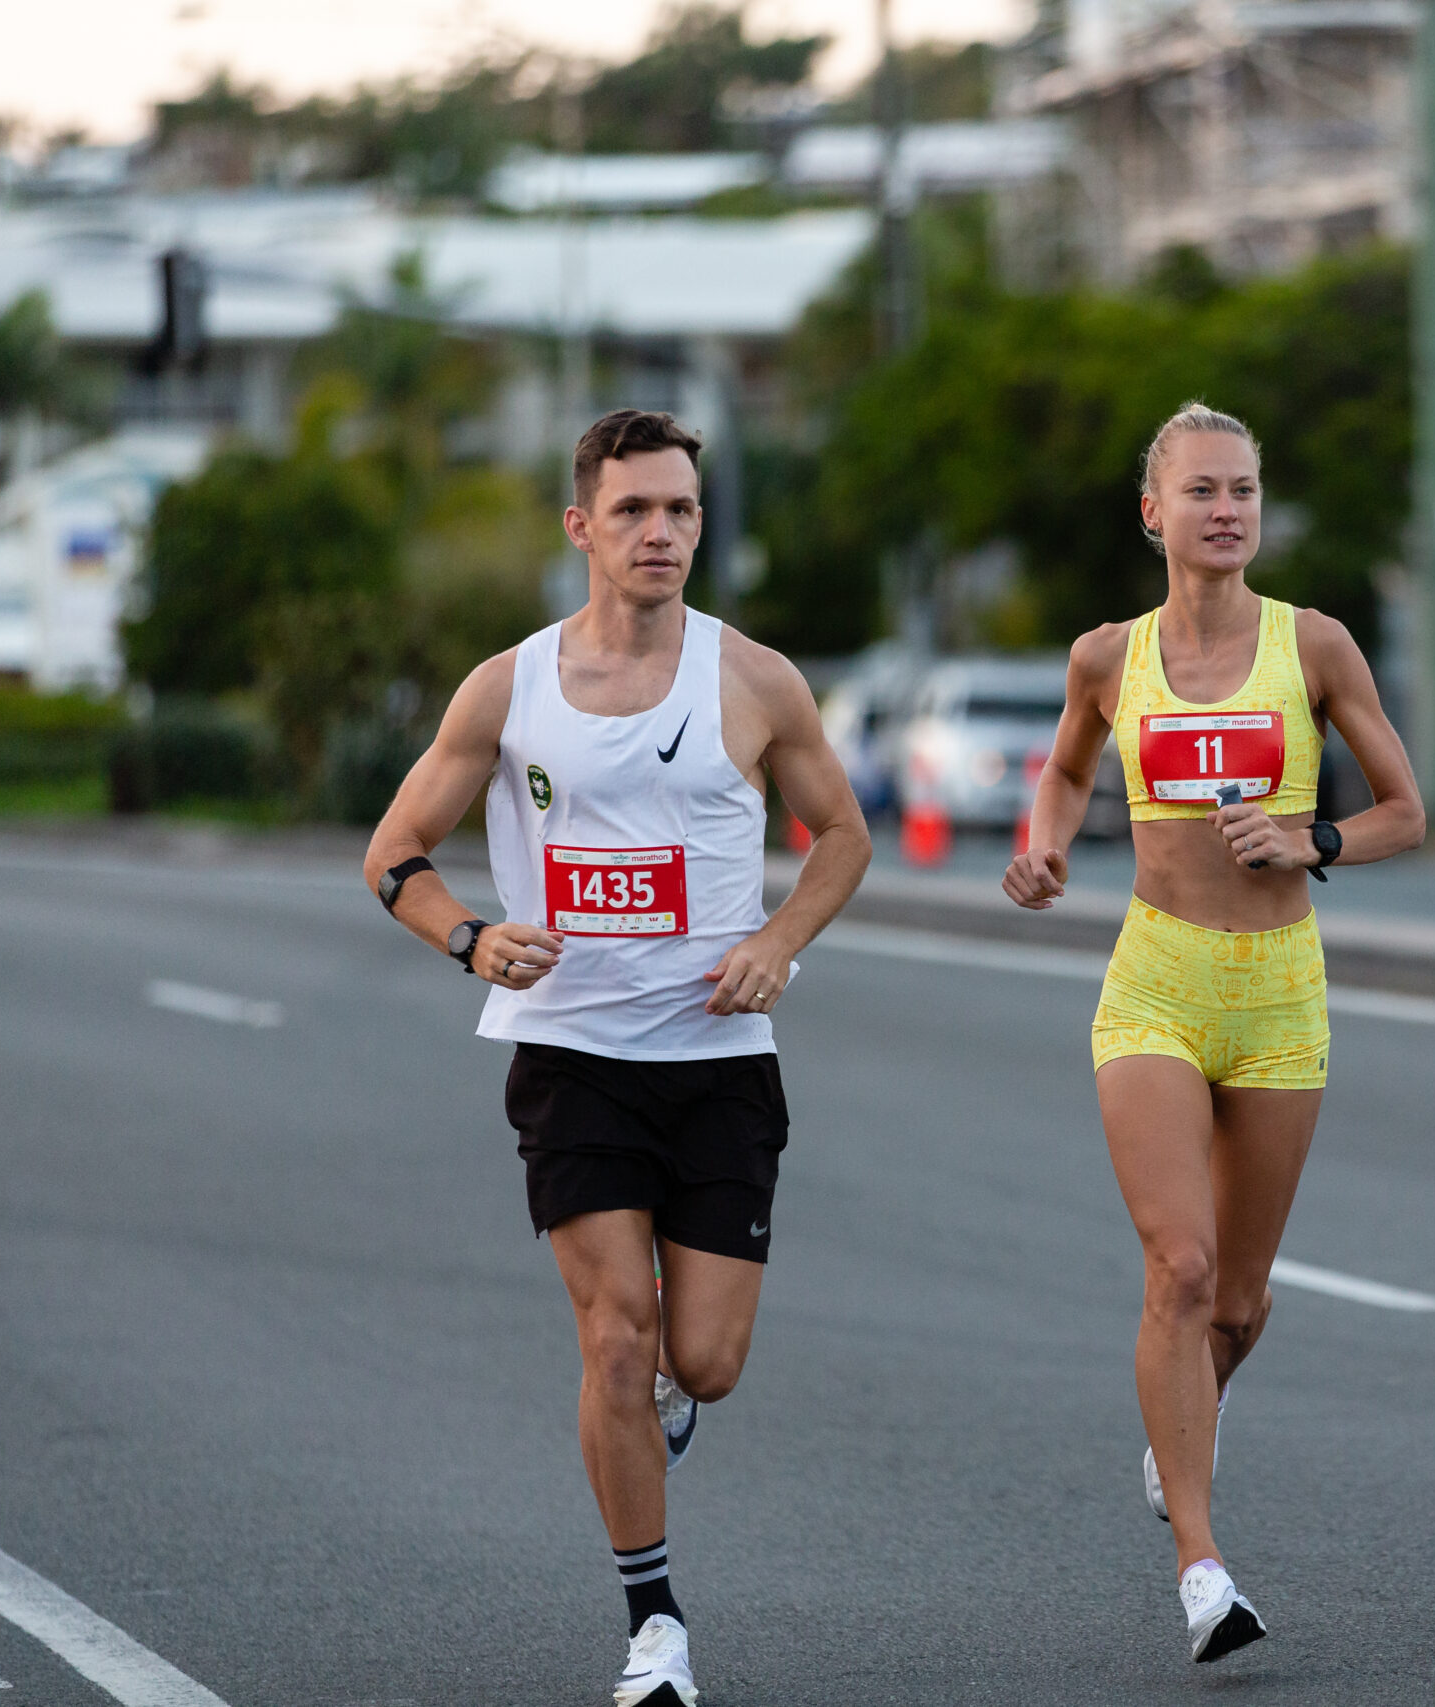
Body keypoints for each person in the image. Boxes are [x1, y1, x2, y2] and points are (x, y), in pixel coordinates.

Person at [362, 410, 871, 1706]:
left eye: (682, 510)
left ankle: (666, 1393)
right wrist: (473, 938)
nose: (662, 532)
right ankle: (655, 1622)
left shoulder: (754, 678)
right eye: (636, 509)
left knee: (700, 1357)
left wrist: (777, 937)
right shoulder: (508, 687)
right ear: (581, 525)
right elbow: (395, 853)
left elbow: (844, 837)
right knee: (612, 1331)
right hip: (571, 1052)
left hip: (718, 1054)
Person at [1003, 402, 1424, 1663]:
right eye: (1201, 491)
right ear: (1155, 513)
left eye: (1243, 489)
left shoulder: (1316, 649)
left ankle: (1177, 1420)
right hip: (1156, 979)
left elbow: (1408, 810)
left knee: (1237, 1306)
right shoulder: (1105, 659)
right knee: (1178, 1271)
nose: (1226, 509)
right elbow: (1071, 768)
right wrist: (1044, 846)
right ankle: (1202, 1566)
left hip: (1282, 986)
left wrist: (1318, 838)